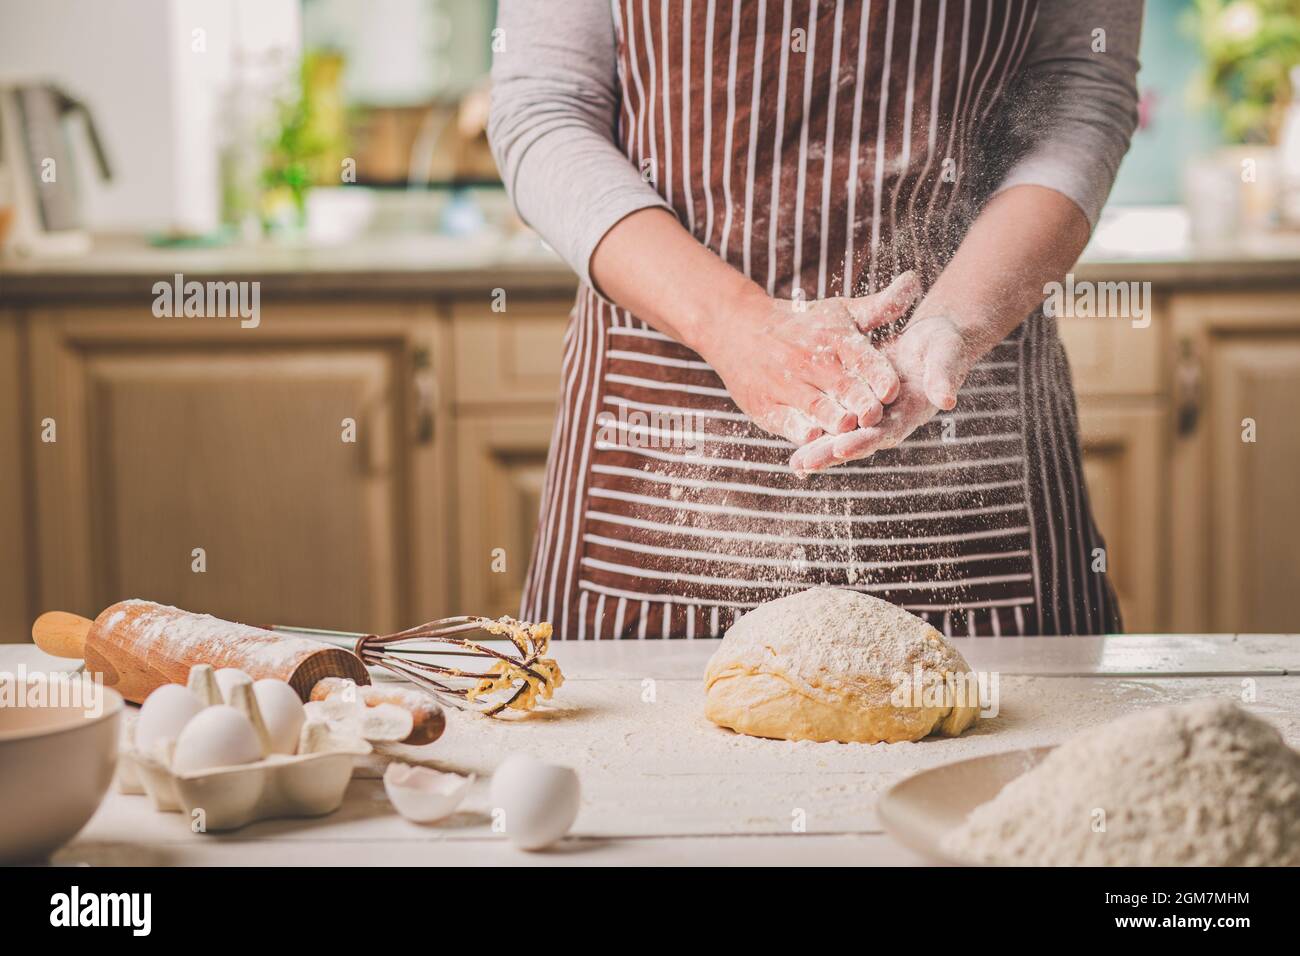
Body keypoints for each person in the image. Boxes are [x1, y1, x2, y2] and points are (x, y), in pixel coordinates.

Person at [489, 0, 1143, 639]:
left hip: (969, 443)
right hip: (659, 451)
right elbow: (545, 107)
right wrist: (733, 324)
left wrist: (957, 323)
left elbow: (1078, 90)